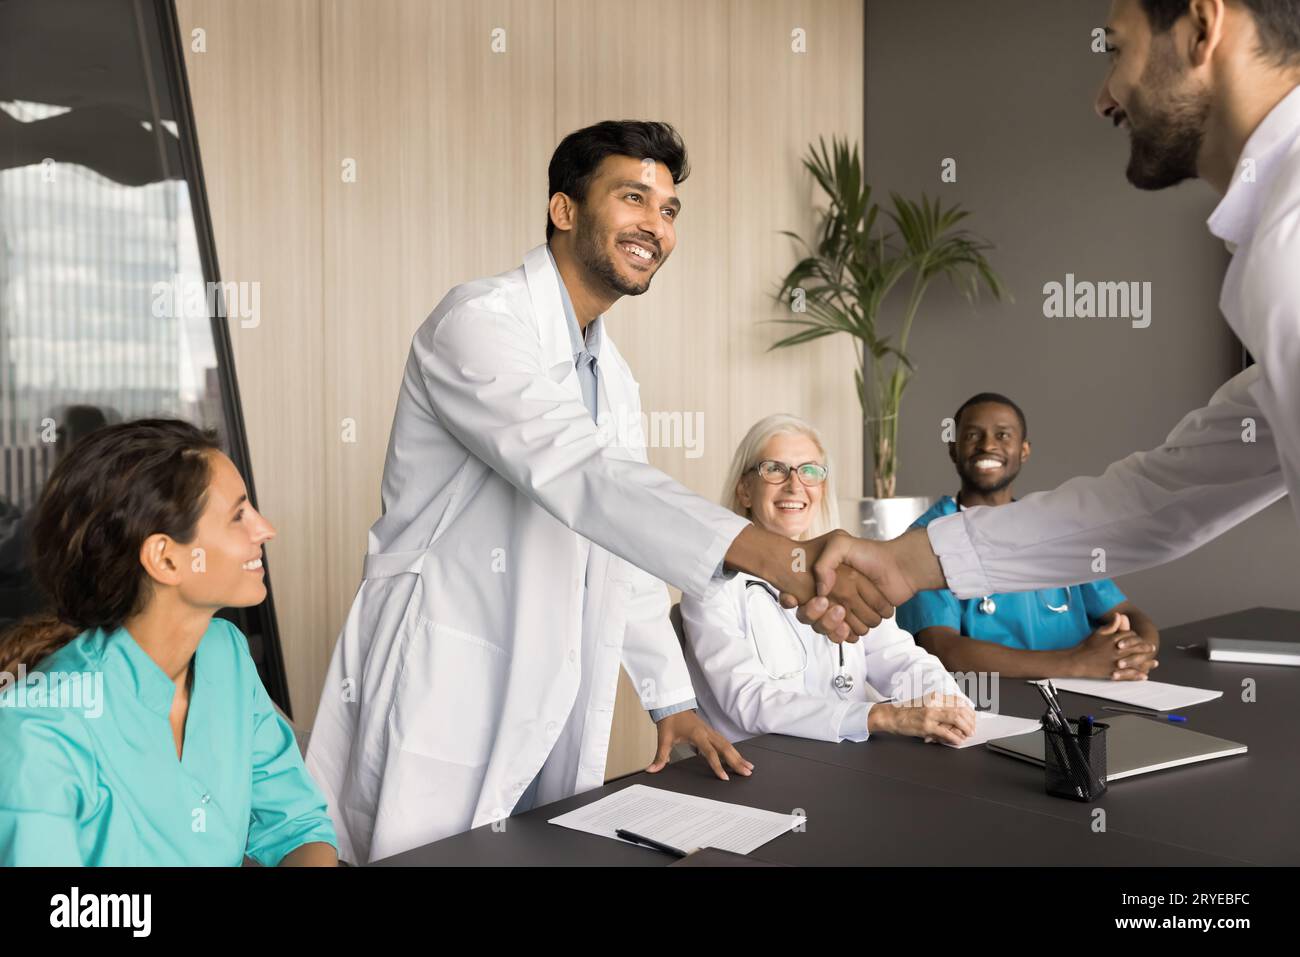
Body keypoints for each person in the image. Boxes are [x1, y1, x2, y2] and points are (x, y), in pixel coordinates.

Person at [305, 120, 889, 863]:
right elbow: (580, 473)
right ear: (564, 210)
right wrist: (778, 556)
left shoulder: (613, 378)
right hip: (446, 670)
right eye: (633, 197)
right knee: (426, 854)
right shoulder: (477, 324)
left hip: (549, 683)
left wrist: (671, 699)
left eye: (669, 209)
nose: (656, 224)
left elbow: (624, 546)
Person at [794, 0, 1300, 641]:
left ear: (1203, 28)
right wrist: (907, 560)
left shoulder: (1290, 244)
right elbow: (1170, 495)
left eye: (1115, 50)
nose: (1104, 98)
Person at [0, 419, 337, 866]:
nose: (265, 529)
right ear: (165, 558)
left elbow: (296, 826)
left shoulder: (226, 655)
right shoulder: (41, 729)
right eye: (238, 515)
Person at [682, 415, 976, 746]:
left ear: (821, 489)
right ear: (745, 490)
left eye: (809, 471)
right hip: (762, 767)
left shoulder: (846, 573)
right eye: (775, 469)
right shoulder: (710, 585)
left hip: (847, 760)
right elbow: (748, 702)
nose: (795, 486)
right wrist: (879, 716)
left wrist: (946, 699)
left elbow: (899, 657)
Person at [897, 393, 1161, 680]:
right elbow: (942, 649)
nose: (987, 445)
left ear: (1024, 450)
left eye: (1002, 435)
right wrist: (1075, 663)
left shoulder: (1056, 528)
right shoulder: (929, 537)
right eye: (973, 435)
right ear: (953, 449)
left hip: (1087, 693)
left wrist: (1139, 652)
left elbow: (1128, 613)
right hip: (998, 704)